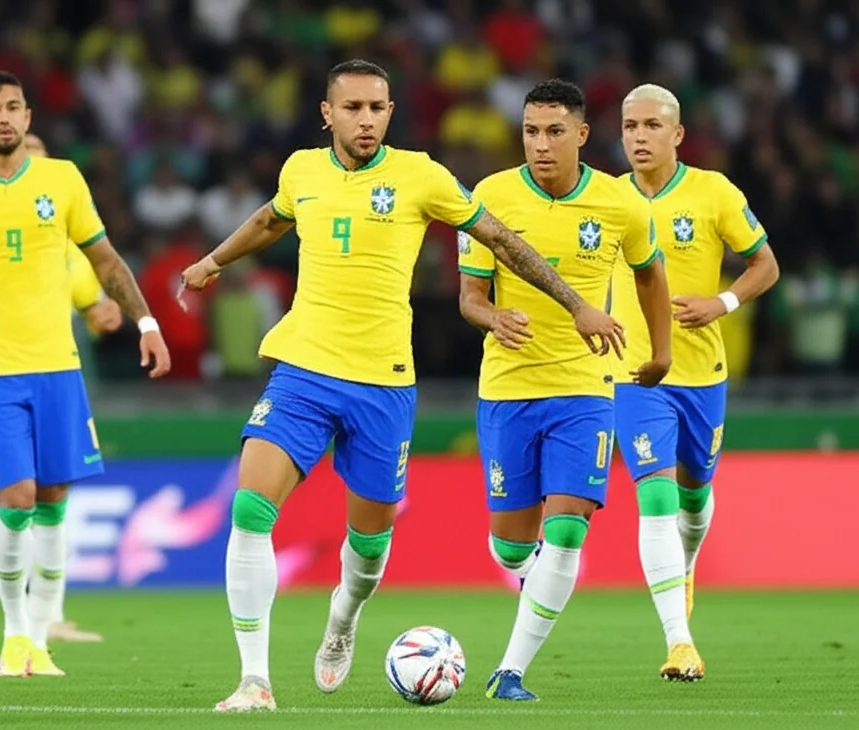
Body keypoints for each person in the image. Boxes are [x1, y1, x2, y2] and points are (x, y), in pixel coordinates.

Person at [179, 59, 624, 713]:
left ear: (391, 112)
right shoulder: (301, 171)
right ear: (327, 113)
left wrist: (576, 302)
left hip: (383, 384)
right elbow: (274, 219)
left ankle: (343, 617)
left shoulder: (421, 176)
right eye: (353, 108)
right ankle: (254, 680)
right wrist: (214, 261)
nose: (367, 120)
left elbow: (503, 241)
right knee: (250, 511)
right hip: (303, 369)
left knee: (367, 543)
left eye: (378, 108)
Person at [0, 70, 171, 678]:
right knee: (11, 500)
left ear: (28, 117)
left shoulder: (62, 180)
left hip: (58, 370)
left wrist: (145, 322)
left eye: (14, 107)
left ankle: (40, 638)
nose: (4, 118)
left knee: (52, 502)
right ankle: (13, 636)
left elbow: (105, 263)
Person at [458, 79, 672, 701]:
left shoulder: (618, 204)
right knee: (509, 546)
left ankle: (511, 671)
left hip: (585, 389)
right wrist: (493, 317)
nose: (541, 145)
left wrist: (660, 352)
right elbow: (470, 296)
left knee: (570, 529)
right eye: (530, 132)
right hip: (507, 388)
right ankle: (537, 583)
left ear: (581, 134)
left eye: (554, 132)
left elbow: (651, 275)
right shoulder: (489, 198)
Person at [0, 133, 122, 649]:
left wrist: (105, 314)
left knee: (53, 496)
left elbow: (96, 304)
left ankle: (47, 619)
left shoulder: (69, 254)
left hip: (51, 377)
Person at [611, 84, 779, 680]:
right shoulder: (606, 201)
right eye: (629, 126)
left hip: (702, 372)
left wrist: (724, 301)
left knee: (694, 495)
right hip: (635, 375)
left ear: (677, 134)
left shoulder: (713, 192)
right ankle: (679, 641)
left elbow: (766, 263)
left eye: (651, 126)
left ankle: (688, 564)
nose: (638, 137)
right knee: (654, 494)